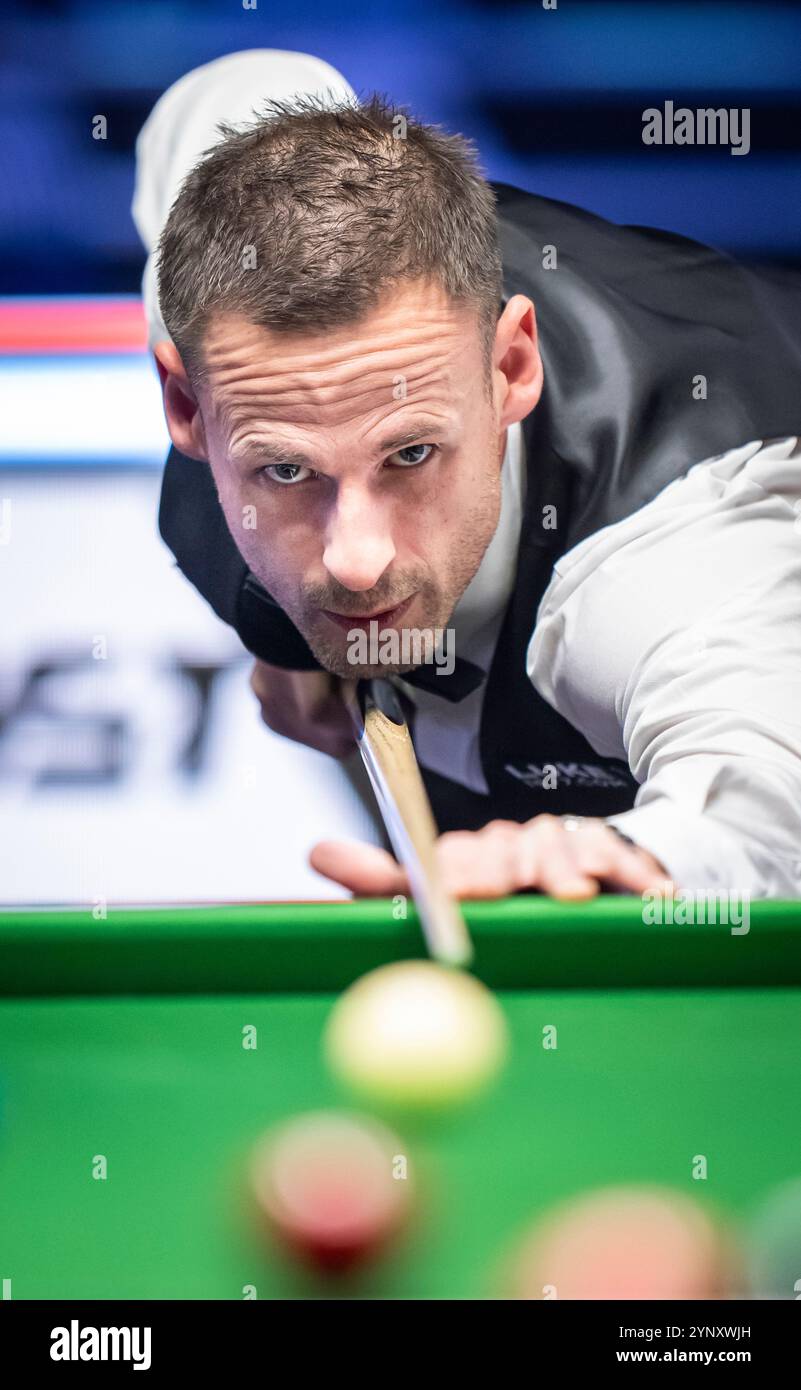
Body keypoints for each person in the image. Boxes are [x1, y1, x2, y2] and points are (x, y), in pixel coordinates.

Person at [133, 49, 801, 901]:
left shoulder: (668, 556)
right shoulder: (223, 241)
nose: (356, 563)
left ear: (511, 369)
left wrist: (621, 854)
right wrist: (277, 629)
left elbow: (757, 812)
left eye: (410, 454)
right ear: (186, 407)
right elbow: (234, 86)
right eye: (287, 468)